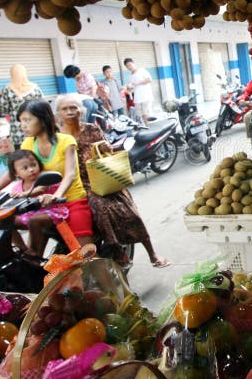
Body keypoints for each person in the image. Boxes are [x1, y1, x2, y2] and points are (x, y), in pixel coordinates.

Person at [55, 94, 169, 268]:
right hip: (78, 184)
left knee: (128, 210)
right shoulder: (57, 138)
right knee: (97, 207)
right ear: (58, 113)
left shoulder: (91, 129)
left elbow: (107, 149)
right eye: (65, 109)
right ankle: (116, 250)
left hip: (102, 178)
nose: (70, 112)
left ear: (81, 110)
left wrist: (105, 147)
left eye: (73, 108)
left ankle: (151, 254)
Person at [0, 100, 94, 256]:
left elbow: (70, 174)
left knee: (85, 255)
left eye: (27, 120)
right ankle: (26, 255)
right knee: (0, 220)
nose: (23, 126)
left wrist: (56, 196)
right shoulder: (28, 143)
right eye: (21, 121)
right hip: (40, 204)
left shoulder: (66, 141)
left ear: (43, 119)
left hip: (71, 200)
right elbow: (13, 171)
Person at [5, 149, 69, 256]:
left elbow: (40, 189)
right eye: (25, 168)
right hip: (29, 215)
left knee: (34, 221)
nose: (31, 169)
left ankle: (33, 253)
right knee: (5, 221)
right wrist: (13, 197)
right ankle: (23, 249)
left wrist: (23, 195)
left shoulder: (44, 178)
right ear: (16, 173)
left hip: (52, 211)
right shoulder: (17, 187)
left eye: (33, 165)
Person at [0, 64, 43, 148]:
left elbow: (3, 109)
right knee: (38, 149)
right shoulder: (35, 88)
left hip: (18, 128)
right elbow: (43, 105)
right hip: (35, 126)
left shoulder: (7, 89)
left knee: (21, 152)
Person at [123, 58, 153, 124]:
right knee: (141, 116)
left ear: (133, 63)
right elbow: (134, 86)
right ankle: (146, 127)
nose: (129, 67)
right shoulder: (131, 74)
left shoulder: (142, 70)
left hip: (145, 97)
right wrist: (129, 88)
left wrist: (136, 83)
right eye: (127, 66)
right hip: (138, 98)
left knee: (146, 114)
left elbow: (149, 80)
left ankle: (150, 128)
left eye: (130, 65)